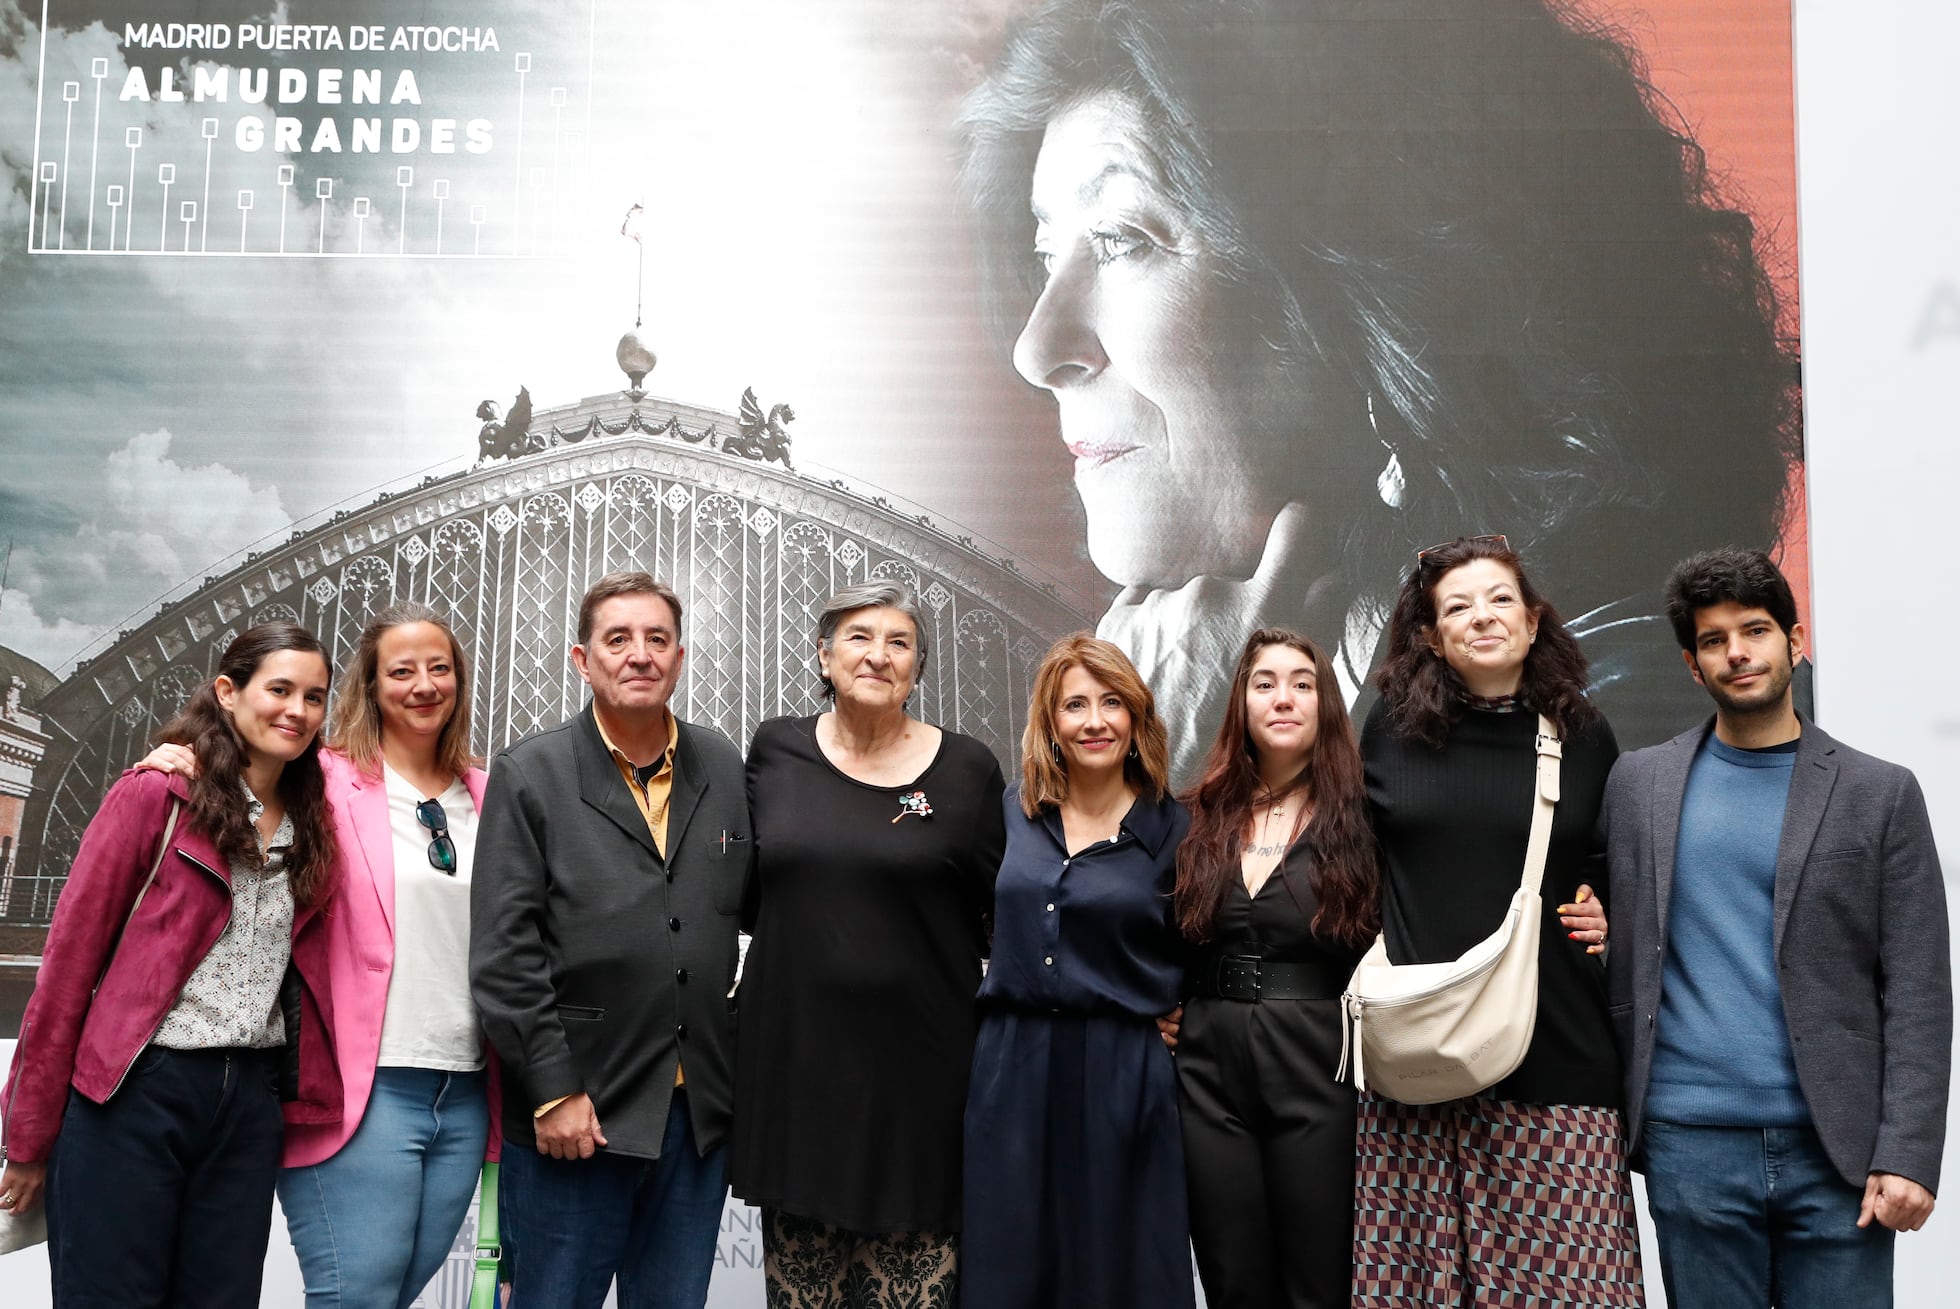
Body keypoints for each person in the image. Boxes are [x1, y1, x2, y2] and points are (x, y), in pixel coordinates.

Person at [959, 0, 1803, 778]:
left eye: (1120, 240)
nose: (1037, 347)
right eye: (1045, 253)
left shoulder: (1623, 740)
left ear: (1379, 304)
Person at [1604, 548, 1951, 1308]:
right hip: (1690, 1138)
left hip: (1839, 1149)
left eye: (1754, 630)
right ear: (1693, 666)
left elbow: (1920, 986)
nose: (1736, 652)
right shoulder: (1639, 786)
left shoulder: (1880, 793)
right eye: (1712, 638)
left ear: (1794, 641)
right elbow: (1606, 913)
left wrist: (1912, 1153)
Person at [133, 603, 499, 1308]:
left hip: (464, 1088)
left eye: (439, 668)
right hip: (364, 1091)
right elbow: (235, 773)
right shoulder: (322, 781)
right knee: (354, 1293)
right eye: (401, 670)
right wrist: (175, 756)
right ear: (370, 684)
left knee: (395, 1293)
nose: (423, 684)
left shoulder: (489, 794)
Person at [0, 622, 341, 1308]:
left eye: (313, 695)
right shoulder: (156, 796)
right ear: (228, 691)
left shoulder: (316, 821)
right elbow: (66, 972)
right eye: (278, 688)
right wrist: (27, 1137)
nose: (297, 710)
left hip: (247, 1103)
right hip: (137, 1089)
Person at [1354, 535, 1639, 1305]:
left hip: (1558, 1064)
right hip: (1422, 1067)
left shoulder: (1586, 735)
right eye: (1457, 606)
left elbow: (1616, 867)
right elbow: (1348, 865)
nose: (1482, 616)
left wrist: (1608, 914)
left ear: (1535, 617)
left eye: (1500, 598)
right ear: (1430, 636)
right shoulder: (1386, 729)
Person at [470, 572, 751, 1309]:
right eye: (618, 639)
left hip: (695, 1116)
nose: (639, 655)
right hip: (580, 1112)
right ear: (581, 658)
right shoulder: (531, 771)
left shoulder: (721, 764)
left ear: (680, 657)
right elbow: (505, 955)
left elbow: (761, 910)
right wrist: (554, 1088)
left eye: (657, 639)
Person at [733, 582, 1007, 1307]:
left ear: (918, 667)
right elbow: (750, 897)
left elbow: (1007, 910)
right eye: (859, 636)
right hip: (800, 1080)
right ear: (824, 655)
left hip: (923, 1087)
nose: (878, 655)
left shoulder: (968, 771)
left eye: (899, 642)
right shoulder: (773, 750)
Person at [961, 634, 1192, 1308]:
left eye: (1112, 701)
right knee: (1007, 1264)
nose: (1095, 720)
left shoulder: (1177, 829)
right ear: (1051, 723)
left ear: (1137, 718)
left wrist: (1184, 1009)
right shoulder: (1011, 812)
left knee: (1121, 1270)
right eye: (1075, 705)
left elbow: (1208, 943)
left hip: (1123, 1062)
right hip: (1012, 1063)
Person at [1172, 628, 1378, 1309]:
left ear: (1326, 702)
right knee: (1232, 1276)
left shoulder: (1365, 819)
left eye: (1302, 681)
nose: (1283, 697)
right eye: (1264, 682)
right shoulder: (1195, 817)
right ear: (1241, 703)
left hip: (1321, 1058)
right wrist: (1150, 1000)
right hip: (1207, 1065)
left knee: (1317, 1280)